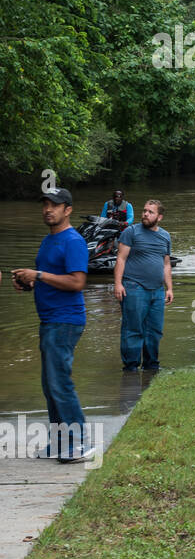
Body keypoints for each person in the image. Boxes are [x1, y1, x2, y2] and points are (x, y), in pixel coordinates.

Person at [11, 188, 94, 463]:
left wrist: (38, 274)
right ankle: (61, 443)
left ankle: (80, 444)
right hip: (49, 319)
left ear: (67, 209)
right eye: (45, 204)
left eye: (54, 205)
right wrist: (31, 283)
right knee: (50, 385)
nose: (48, 209)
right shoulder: (49, 240)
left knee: (60, 383)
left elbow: (77, 282)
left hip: (65, 320)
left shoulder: (73, 241)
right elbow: (52, 278)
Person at [114, 199, 173, 372]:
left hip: (157, 290)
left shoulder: (165, 236)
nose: (145, 214)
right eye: (145, 210)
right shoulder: (131, 232)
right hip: (134, 286)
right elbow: (121, 258)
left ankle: (151, 366)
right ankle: (131, 368)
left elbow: (166, 264)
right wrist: (118, 284)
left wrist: (169, 288)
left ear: (159, 217)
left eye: (151, 212)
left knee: (154, 331)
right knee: (133, 329)